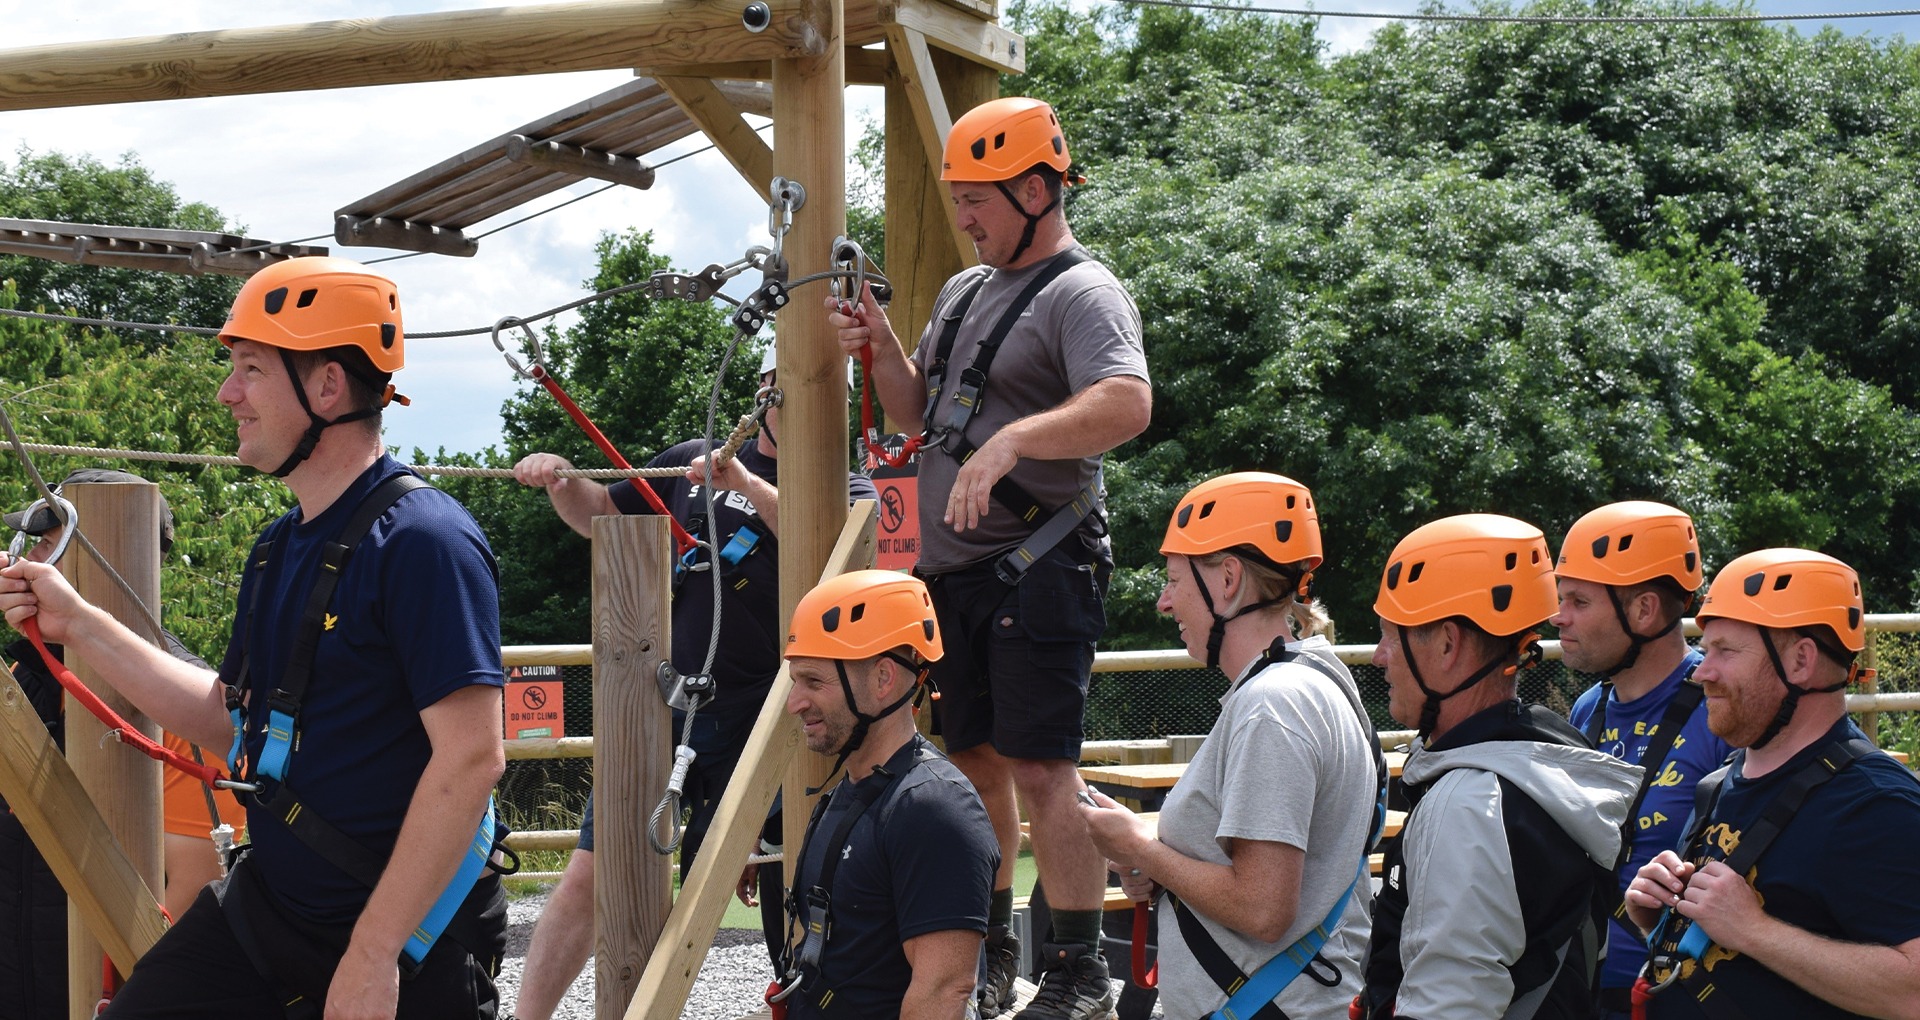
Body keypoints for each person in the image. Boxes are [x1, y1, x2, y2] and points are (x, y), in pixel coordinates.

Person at [0, 255, 510, 1019]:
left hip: (408, 932)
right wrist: (78, 623)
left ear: (327, 386)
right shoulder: (280, 545)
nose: (226, 393)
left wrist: (373, 957)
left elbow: (473, 757)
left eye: (249, 369)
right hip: (274, 910)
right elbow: (228, 719)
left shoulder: (424, 542)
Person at [829, 94, 1152, 1020]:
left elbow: (1127, 403)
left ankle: (1079, 970)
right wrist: (884, 347)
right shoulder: (968, 291)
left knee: (1043, 764)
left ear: (1039, 189)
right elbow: (914, 415)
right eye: (958, 198)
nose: (964, 218)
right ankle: (994, 950)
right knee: (972, 759)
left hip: (1037, 562)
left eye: (978, 199)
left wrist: (1016, 444)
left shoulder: (1083, 292)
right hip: (957, 572)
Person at [509, 345, 877, 1019]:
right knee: (594, 873)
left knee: (770, 882)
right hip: (664, 701)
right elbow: (609, 516)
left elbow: (820, 545)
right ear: (763, 390)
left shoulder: (845, 489)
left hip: (767, 718)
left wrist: (742, 482)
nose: (786, 404)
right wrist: (564, 480)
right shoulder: (690, 459)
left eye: (812, 394)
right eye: (779, 388)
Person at [1080, 472, 1381, 1019]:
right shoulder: (1312, 679)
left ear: (1229, 579)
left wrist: (1140, 850)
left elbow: (1263, 908)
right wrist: (1157, 863)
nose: (1163, 603)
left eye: (1174, 580)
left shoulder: (1273, 705)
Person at [1358, 513, 1641, 1020]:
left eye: (1390, 635)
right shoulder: (1541, 758)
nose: (1379, 656)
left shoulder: (1470, 805)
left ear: (1447, 644)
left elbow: (1447, 1007)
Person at [1625, 549, 1920, 1019]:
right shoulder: (1719, 785)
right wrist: (1662, 922)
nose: (1702, 670)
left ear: (1800, 661)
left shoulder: (1873, 804)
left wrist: (1755, 930)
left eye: (1725, 650)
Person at [2, 470, 247, 925]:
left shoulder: (188, 705)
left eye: (48, 544)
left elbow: (192, 891)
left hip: (118, 987)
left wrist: (130, 997)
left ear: (104, 560)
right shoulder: (29, 675)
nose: (29, 559)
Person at [769, 568, 998, 1019]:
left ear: (883, 680)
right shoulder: (856, 792)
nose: (795, 702)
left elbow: (944, 992)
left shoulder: (932, 808)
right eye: (796, 681)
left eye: (814, 682)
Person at [1551, 501, 1731, 1019]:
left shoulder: (1721, 709)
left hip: (1666, 995)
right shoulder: (1590, 709)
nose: (1559, 617)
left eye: (1580, 601)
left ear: (1644, 611)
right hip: (1577, 989)